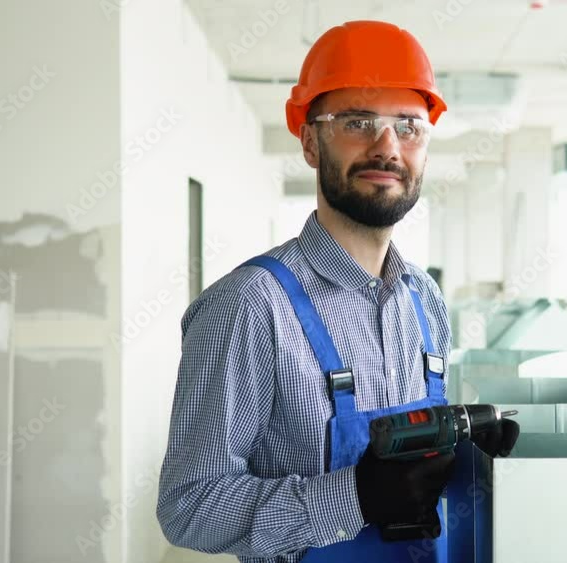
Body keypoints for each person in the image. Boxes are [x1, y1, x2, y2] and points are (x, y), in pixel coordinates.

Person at [156, 20, 519, 563]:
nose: (387, 147)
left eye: (409, 126)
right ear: (309, 141)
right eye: (358, 122)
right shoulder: (251, 305)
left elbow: (416, 466)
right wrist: (352, 496)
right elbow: (189, 507)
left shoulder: (425, 301)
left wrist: (469, 453)